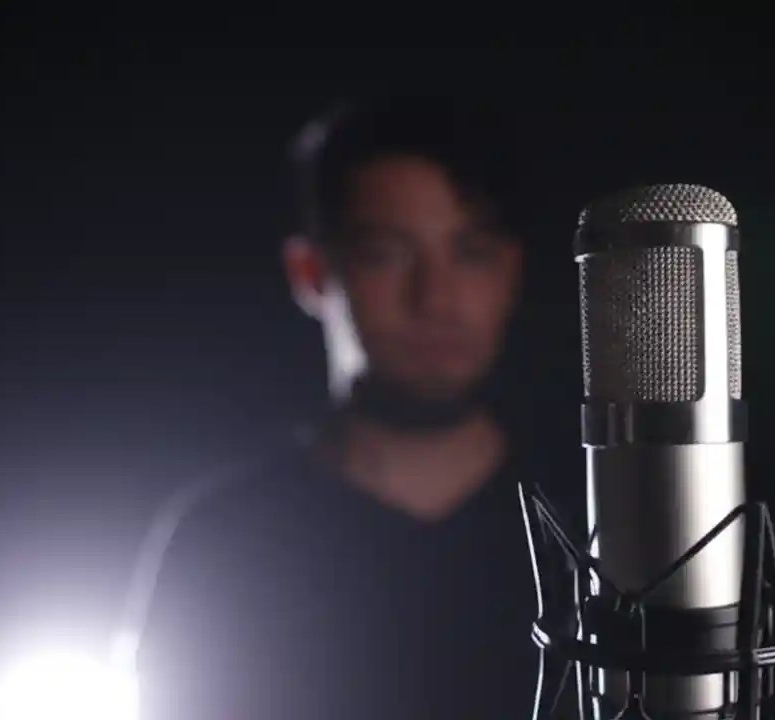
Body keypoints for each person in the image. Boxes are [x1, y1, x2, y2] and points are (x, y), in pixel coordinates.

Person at [137, 99, 577, 720]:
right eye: (388, 252)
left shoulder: (593, 541)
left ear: (511, 272)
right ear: (312, 271)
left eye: (470, 252)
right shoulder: (223, 544)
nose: (437, 298)